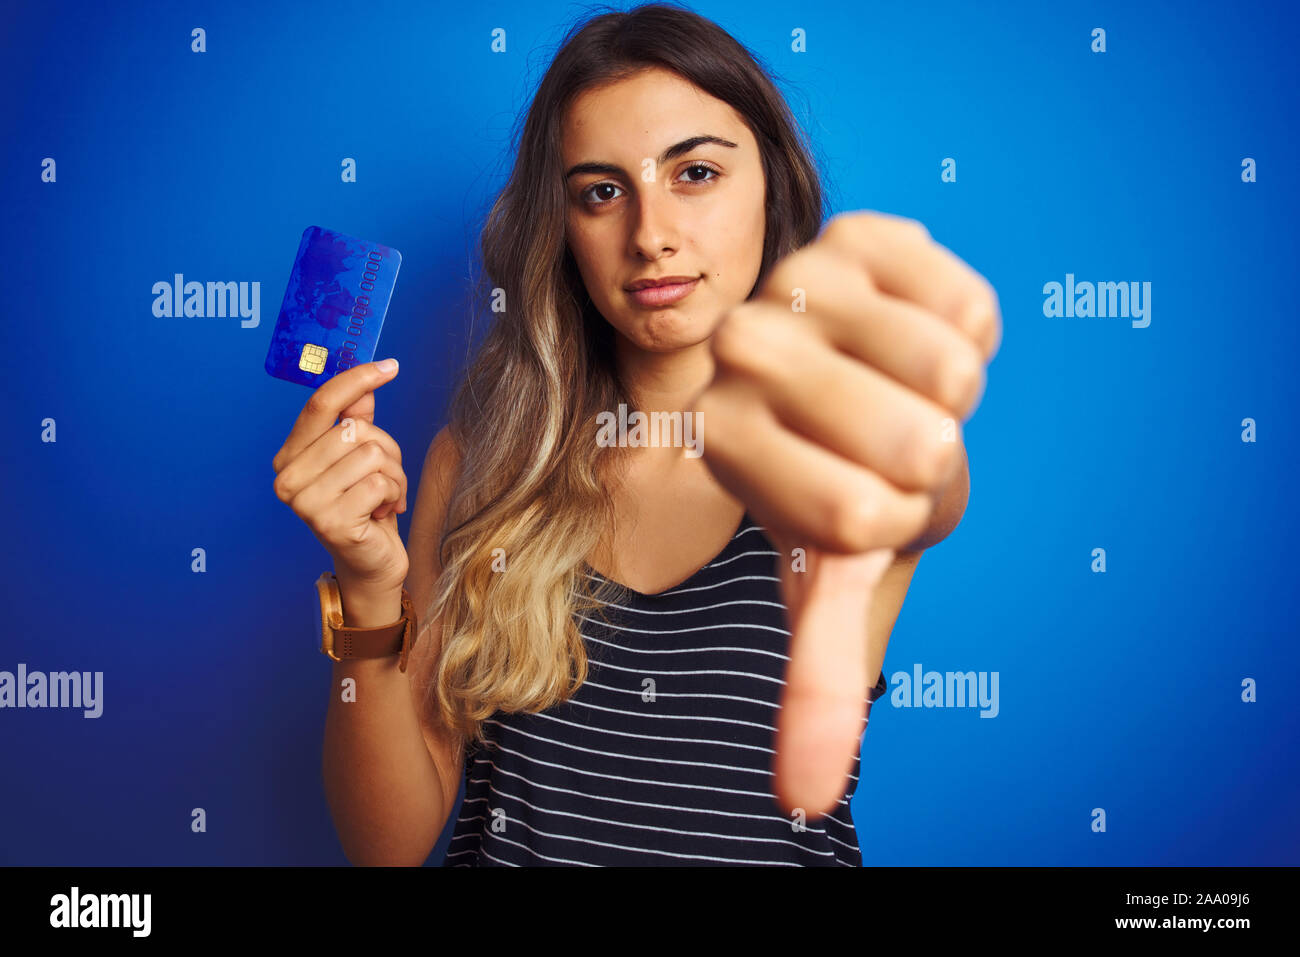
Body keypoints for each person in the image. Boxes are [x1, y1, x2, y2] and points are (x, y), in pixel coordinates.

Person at [272, 2, 1000, 866]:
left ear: (772, 184)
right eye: (603, 191)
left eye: (695, 173)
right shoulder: (478, 465)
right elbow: (386, 847)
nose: (651, 236)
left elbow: (926, 478)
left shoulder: (841, 460)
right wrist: (366, 586)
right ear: (563, 224)